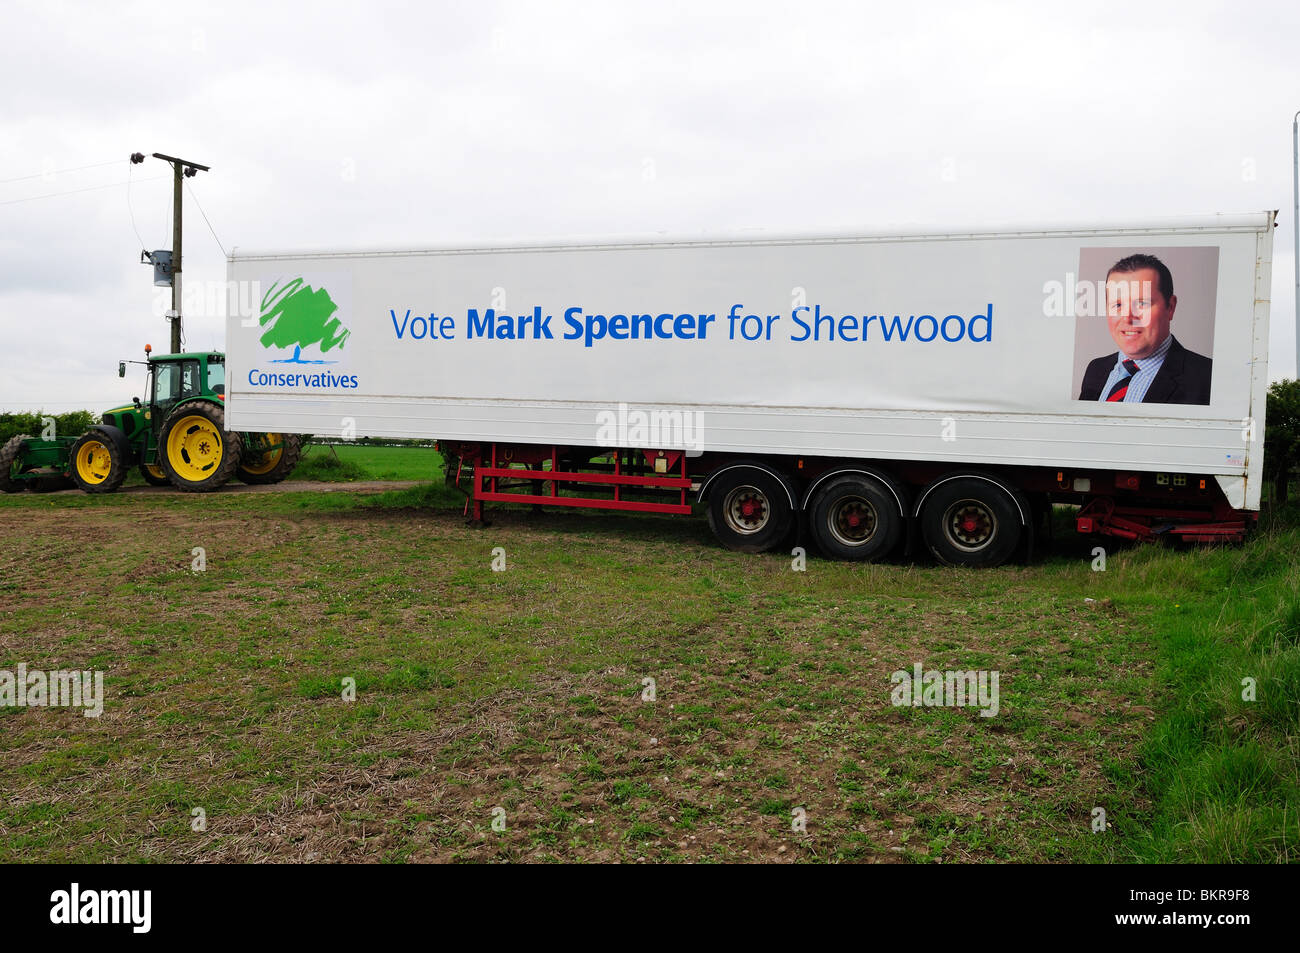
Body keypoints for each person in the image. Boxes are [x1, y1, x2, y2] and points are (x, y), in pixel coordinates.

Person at [1077, 253, 1212, 405]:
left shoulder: (1207, 378)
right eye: (1118, 305)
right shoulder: (1096, 370)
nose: (1128, 318)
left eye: (1142, 304)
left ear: (1170, 307)